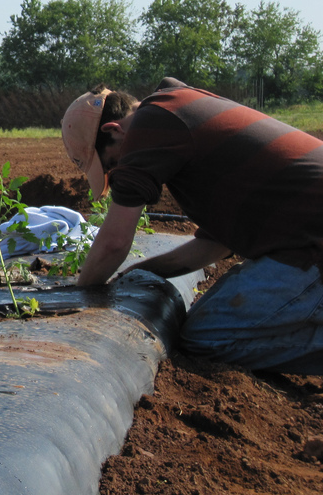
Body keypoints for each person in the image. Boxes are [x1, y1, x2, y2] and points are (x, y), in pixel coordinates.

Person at [61, 77, 323, 374]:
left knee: (206, 336)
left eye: (110, 165)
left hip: (312, 248)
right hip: (308, 238)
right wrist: (145, 271)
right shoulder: (183, 113)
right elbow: (215, 244)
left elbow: (113, 244)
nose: (116, 172)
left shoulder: (151, 124)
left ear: (114, 131)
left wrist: (80, 294)